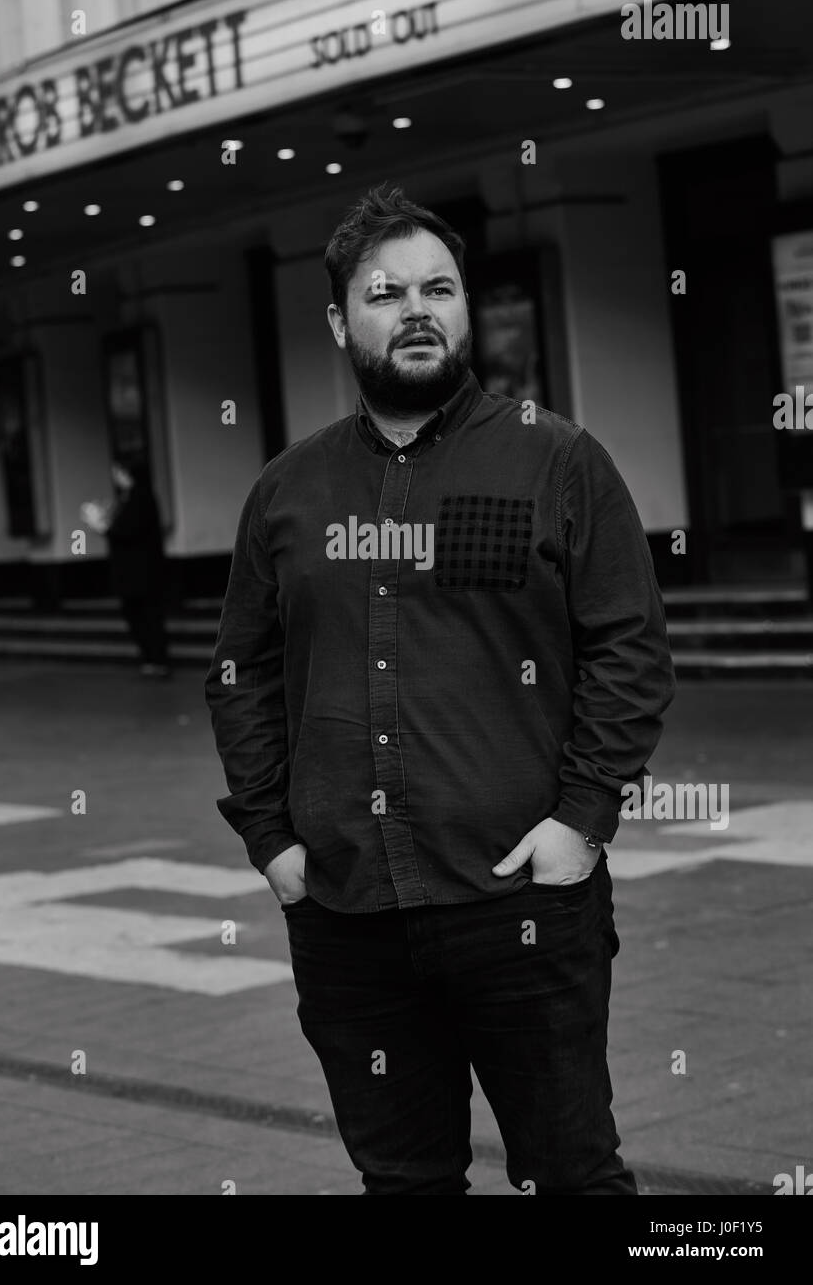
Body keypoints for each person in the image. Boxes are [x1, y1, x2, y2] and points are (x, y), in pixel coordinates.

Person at [205, 183, 676, 1195]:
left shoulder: (555, 458)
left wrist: (581, 820)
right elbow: (241, 674)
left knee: (571, 1174)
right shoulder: (285, 492)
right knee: (404, 1181)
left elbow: (627, 648)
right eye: (383, 293)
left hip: (520, 905)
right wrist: (275, 844)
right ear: (339, 321)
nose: (414, 309)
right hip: (348, 916)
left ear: (463, 308)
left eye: (438, 289)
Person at [82, 456, 170, 676]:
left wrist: (100, 525)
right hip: (133, 571)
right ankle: (151, 658)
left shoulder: (140, 498)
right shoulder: (128, 498)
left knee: (146, 615)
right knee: (137, 613)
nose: (115, 476)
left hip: (141, 570)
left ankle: (156, 659)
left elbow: (126, 531)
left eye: (117, 471)